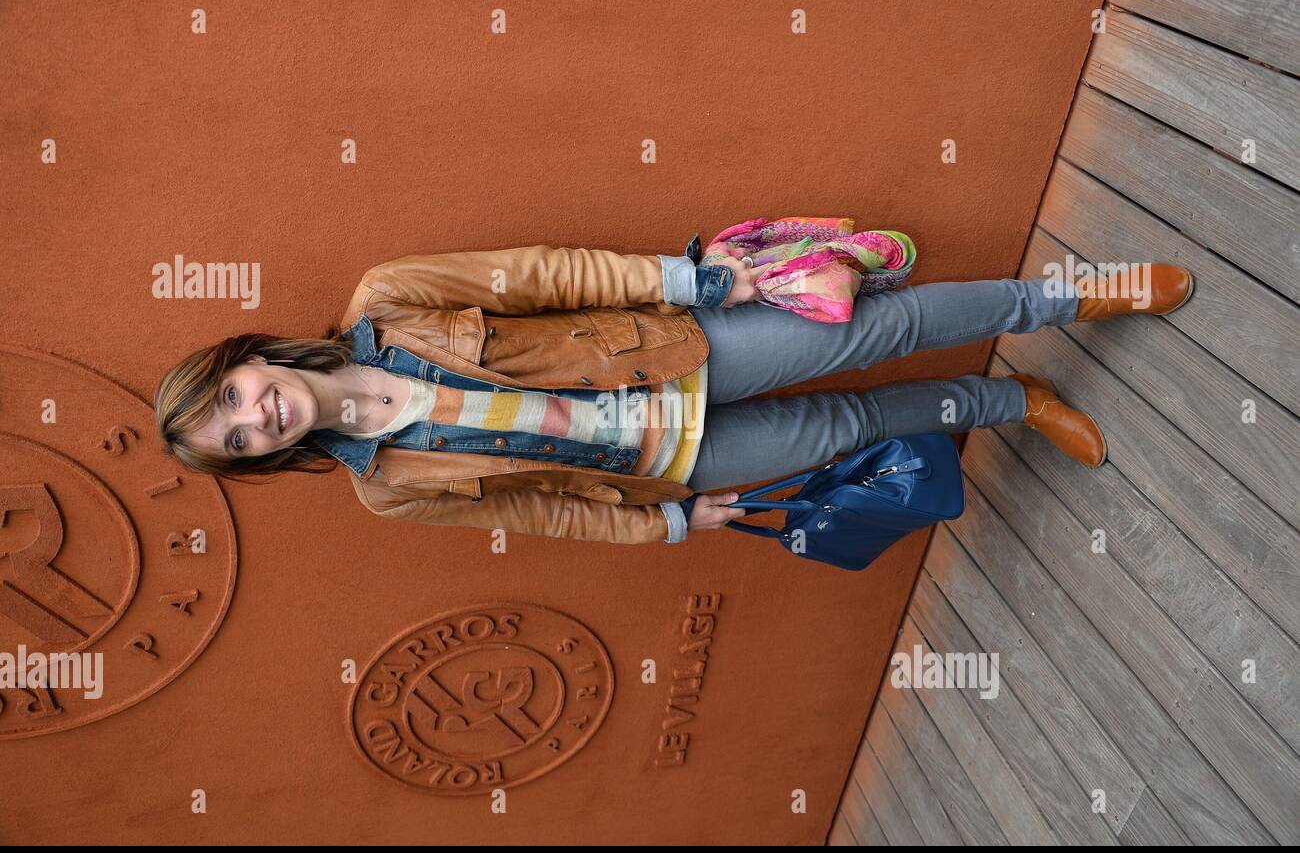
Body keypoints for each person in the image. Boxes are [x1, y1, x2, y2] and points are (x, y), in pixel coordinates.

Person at [153, 238, 1193, 544]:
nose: (257, 415)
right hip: (665, 460)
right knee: (858, 424)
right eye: (240, 440)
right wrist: (671, 527)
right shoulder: (385, 486)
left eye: (236, 395)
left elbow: (547, 272)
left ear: (251, 358)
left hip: (678, 349)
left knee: (889, 324)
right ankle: (1021, 407)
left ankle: (1078, 296)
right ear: (267, 458)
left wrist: (687, 282)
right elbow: (543, 510)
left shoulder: (387, 295)